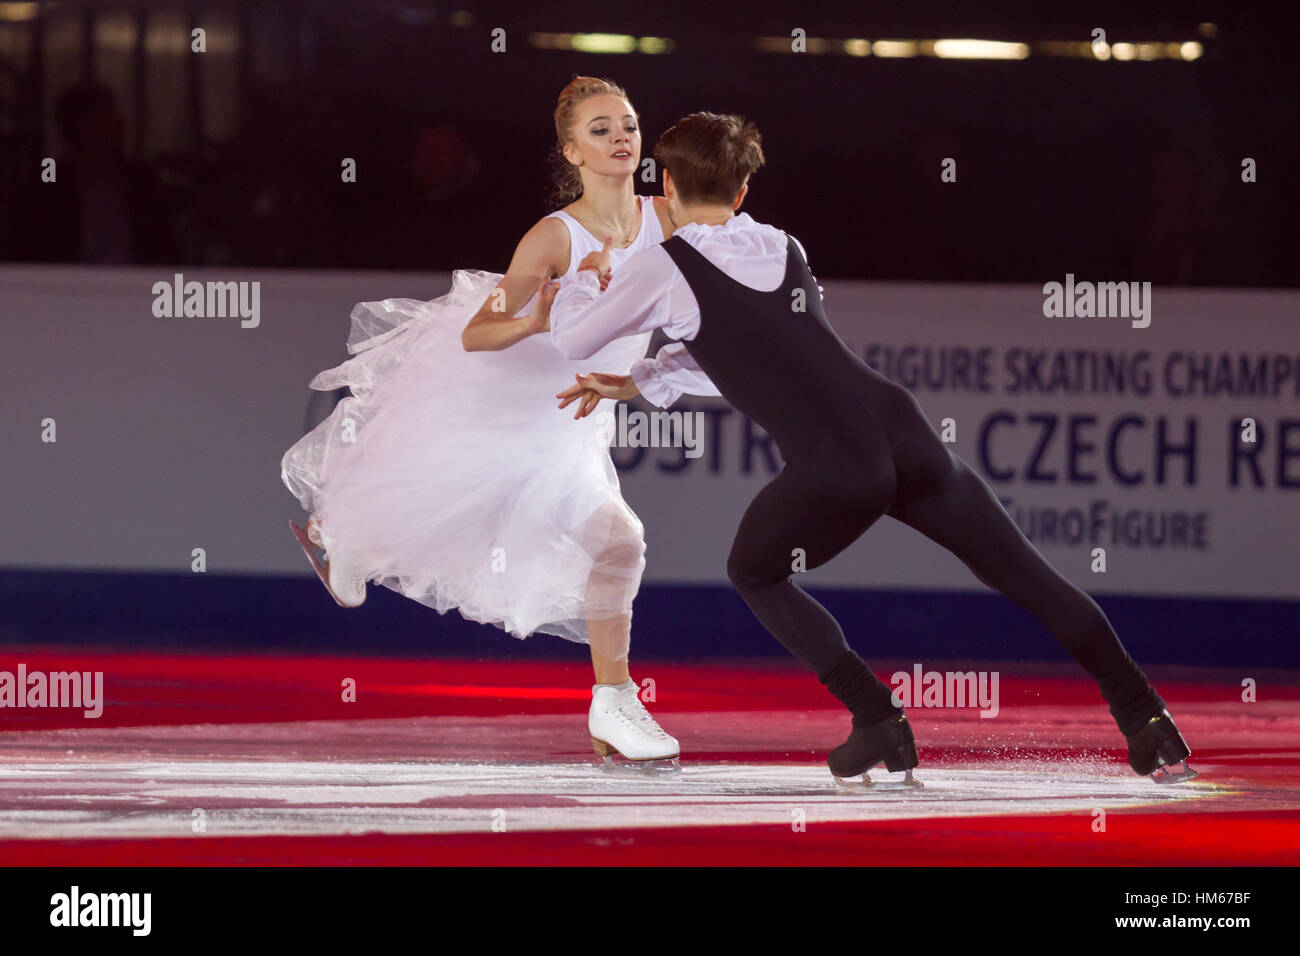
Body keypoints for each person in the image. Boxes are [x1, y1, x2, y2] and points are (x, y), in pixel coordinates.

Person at [527, 111, 1196, 786]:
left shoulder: (661, 264)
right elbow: (756, 347)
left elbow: (576, 338)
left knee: (756, 572)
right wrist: (643, 378)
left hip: (838, 461)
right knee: (1026, 573)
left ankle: (877, 716)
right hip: (901, 428)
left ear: (664, 184)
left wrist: (591, 272)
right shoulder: (783, 245)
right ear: (741, 193)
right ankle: (1147, 719)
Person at [281, 77, 697, 769]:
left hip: (567, 418)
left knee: (619, 547)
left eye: (627, 123)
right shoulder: (553, 237)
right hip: (506, 399)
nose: (621, 136)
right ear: (573, 151)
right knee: (441, 493)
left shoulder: (670, 218)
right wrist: (534, 317)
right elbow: (479, 333)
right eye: (601, 129)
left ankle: (614, 703)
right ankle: (343, 537)